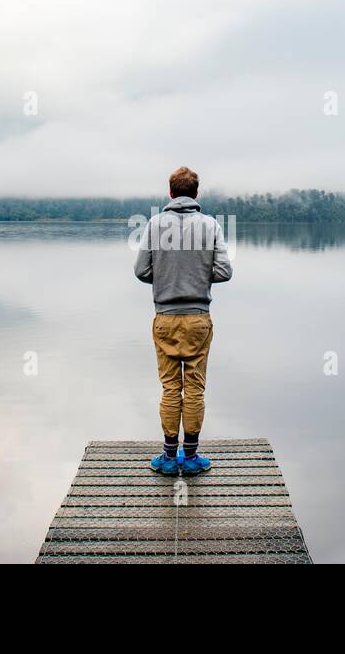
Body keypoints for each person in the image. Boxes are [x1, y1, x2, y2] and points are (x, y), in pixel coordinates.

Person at [133, 166, 233, 476]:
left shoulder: (154, 224)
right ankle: (190, 459)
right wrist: (197, 277)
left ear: (171, 193)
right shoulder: (210, 225)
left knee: (170, 388)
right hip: (198, 319)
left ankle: (167, 456)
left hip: (164, 317)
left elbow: (141, 271)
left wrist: (166, 278)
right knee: (195, 389)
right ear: (196, 194)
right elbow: (224, 272)